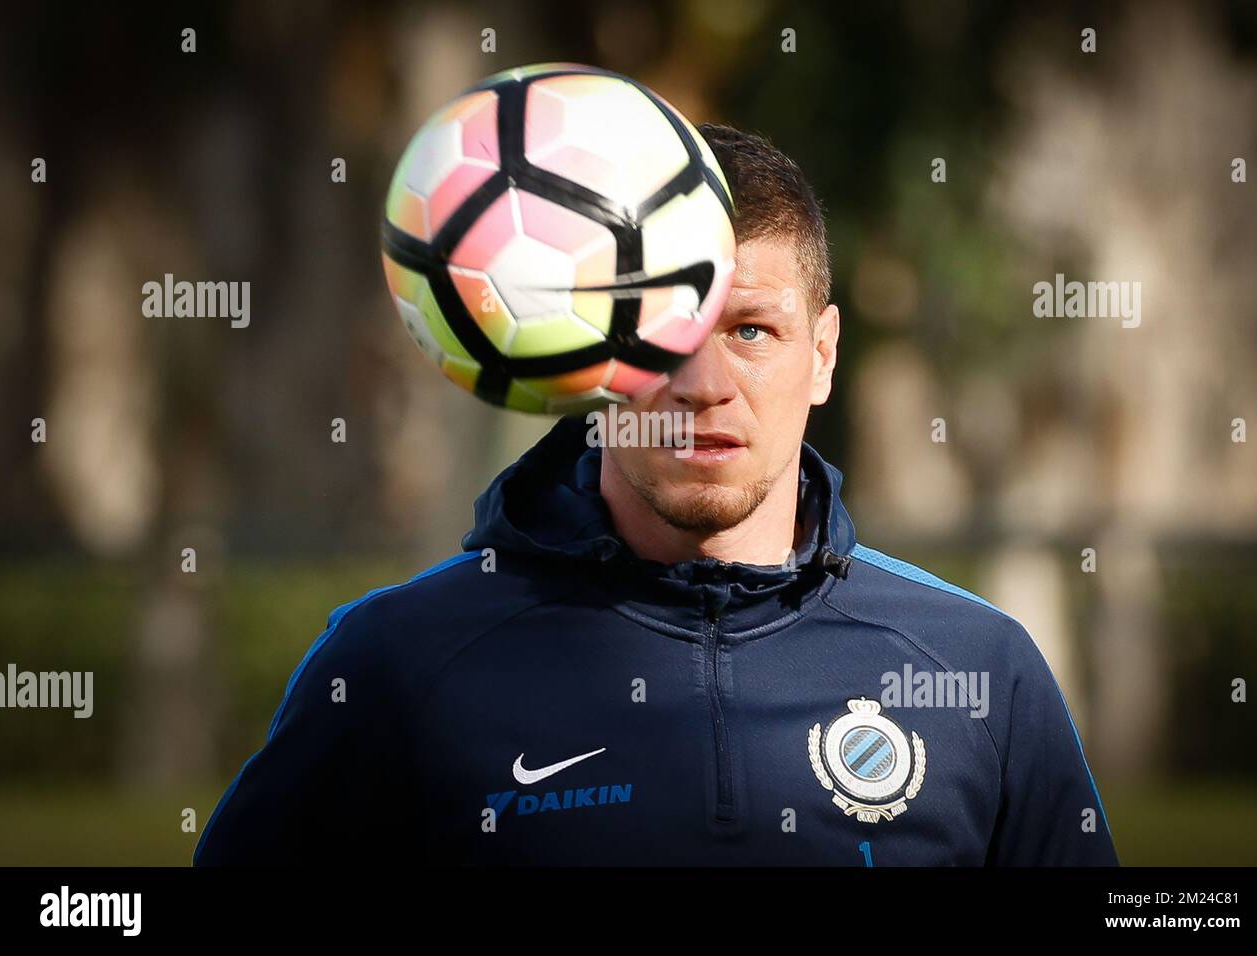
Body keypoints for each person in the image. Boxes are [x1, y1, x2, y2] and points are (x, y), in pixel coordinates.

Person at [195, 124, 1118, 866]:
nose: (704, 383)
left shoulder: (979, 672)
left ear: (825, 353)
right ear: (588, 351)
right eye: (659, 334)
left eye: (752, 330)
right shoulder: (396, 665)